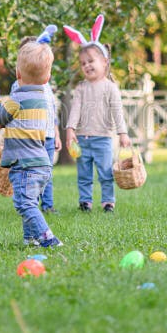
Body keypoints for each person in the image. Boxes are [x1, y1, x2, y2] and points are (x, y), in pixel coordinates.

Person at [0, 36, 63, 248]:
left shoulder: (16, 99)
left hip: (25, 165)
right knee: (31, 201)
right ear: (47, 77)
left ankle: (48, 237)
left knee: (24, 203)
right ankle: (31, 238)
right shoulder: (41, 100)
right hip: (42, 163)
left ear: (18, 74)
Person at [63, 14, 131, 213]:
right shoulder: (81, 88)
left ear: (104, 61)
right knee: (83, 173)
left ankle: (108, 201)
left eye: (91, 61)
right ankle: (85, 201)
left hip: (102, 138)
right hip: (83, 139)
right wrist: (70, 129)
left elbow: (117, 112)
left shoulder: (110, 88)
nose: (87, 66)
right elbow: (74, 110)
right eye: (83, 63)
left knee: (105, 173)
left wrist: (123, 133)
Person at [11, 27, 62, 214]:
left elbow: (52, 111)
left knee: (46, 173)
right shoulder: (18, 85)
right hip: (31, 138)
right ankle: (31, 202)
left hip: (48, 135)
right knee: (32, 174)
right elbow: (14, 111)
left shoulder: (46, 84)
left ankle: (47, 205)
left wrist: (56, 134)